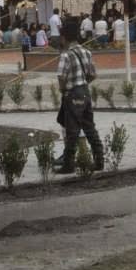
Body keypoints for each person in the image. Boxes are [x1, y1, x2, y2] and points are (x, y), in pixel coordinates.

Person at [54, 35, 104, 174]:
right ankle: (99, 161)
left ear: (65, 37)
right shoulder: (87, 52)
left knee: (72, 131)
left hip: (72, 94)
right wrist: (83, 83)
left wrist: (63, 89)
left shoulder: (66, 55)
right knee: (90, 128)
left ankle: (68, 165)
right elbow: (93, 74)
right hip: (85, 93)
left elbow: (61, 76)